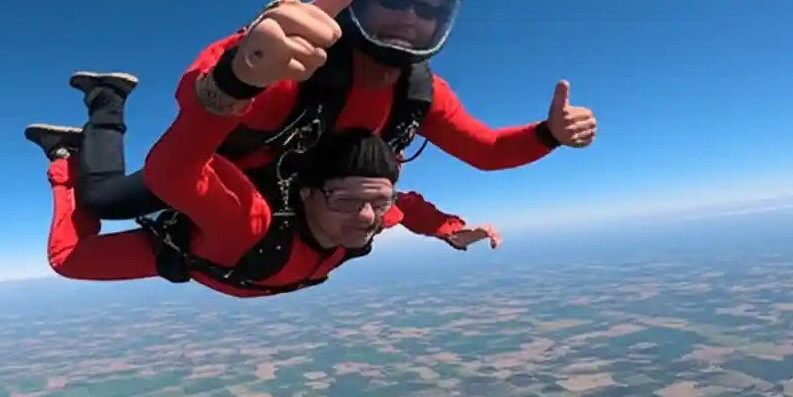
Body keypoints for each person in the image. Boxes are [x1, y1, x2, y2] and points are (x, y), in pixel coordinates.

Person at [66, 0, 598, 223]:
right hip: (226, 174)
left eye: (429, 11)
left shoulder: (421, 92)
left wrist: (548, 135)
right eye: (394, 0)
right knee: (103, 202)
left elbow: (485, 150)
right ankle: (106, 100)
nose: (412, 17)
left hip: (296, 192)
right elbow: (198, 93)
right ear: (356, 6)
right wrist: (241, 72)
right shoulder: (300, 59)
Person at [32, 71, 500, 299]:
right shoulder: (247, 224)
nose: (366, 216)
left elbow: (407, 207)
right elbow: (176, 171)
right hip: (208, 237)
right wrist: (237, 78)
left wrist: (450, 231)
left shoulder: (365, 217)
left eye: (377, 203)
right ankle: (91, 119)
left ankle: (84, 135)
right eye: (348, 201)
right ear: (308, 194)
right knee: (93, 213)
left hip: (215, 259)